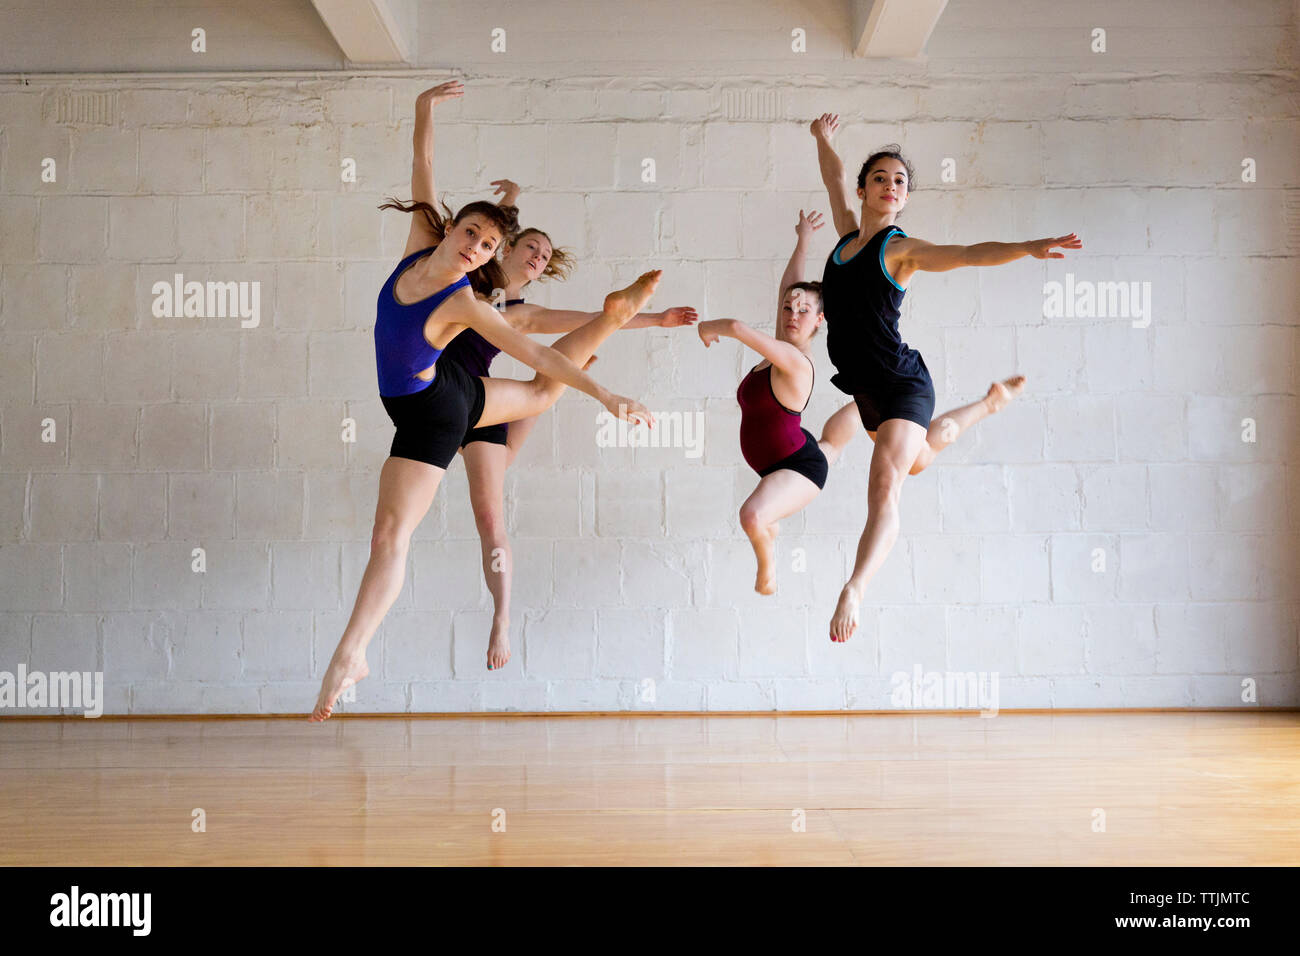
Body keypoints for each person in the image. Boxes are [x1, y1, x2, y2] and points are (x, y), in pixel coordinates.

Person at [310, 80, 660, 721]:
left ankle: (610, 320)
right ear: (453, 228)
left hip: (439, 406)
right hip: (417, 407)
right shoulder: (421, 242)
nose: (477, 247)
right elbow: (422, 169)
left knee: (535, 395)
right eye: (473, 233)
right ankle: (352, 654)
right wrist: (421, 107)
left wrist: (608, 395)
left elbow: (542, 354)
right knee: (390, 532)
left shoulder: (463, 301)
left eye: (489, 247)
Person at [809, 112, 1081, 642]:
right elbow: (831, 177)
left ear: (905, 199)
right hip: (865, 390)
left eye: (900, 181)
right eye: (881, 178)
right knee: (919, 461)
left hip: (903, 383)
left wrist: (1026, 247)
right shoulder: (845, 240)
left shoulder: (900, 250)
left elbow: (967, 255)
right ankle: (989, 403)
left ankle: (855, 588)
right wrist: (823, 139)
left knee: (886, 484)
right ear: (865, 190)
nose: (891, 186)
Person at [444, 178, 699, 671]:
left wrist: (659, 319)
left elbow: (595, 316)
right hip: (447, 396)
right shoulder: (472, 277)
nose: (539, 256)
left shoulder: (526, 312)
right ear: (508, 247)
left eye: (546, 255)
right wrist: (511, 200)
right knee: (544, 390)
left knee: (489, 515)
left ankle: (501, 617)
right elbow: (481, 230)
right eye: (532, 247)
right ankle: (565, 377)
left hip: (480, 409)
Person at [697, 209, 859, 595]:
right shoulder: (780, 346)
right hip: (793, 451)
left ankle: (767, 565)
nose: (792, 314)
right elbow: (790, 287)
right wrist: (803, 240)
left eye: (804, 311)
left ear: (820, 321)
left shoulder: (796, 363)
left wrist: (708, 326)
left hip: (797, 468)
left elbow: (736, 328)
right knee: (829, 446)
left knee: (753, 516)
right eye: (788, 308)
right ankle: (873, 398)